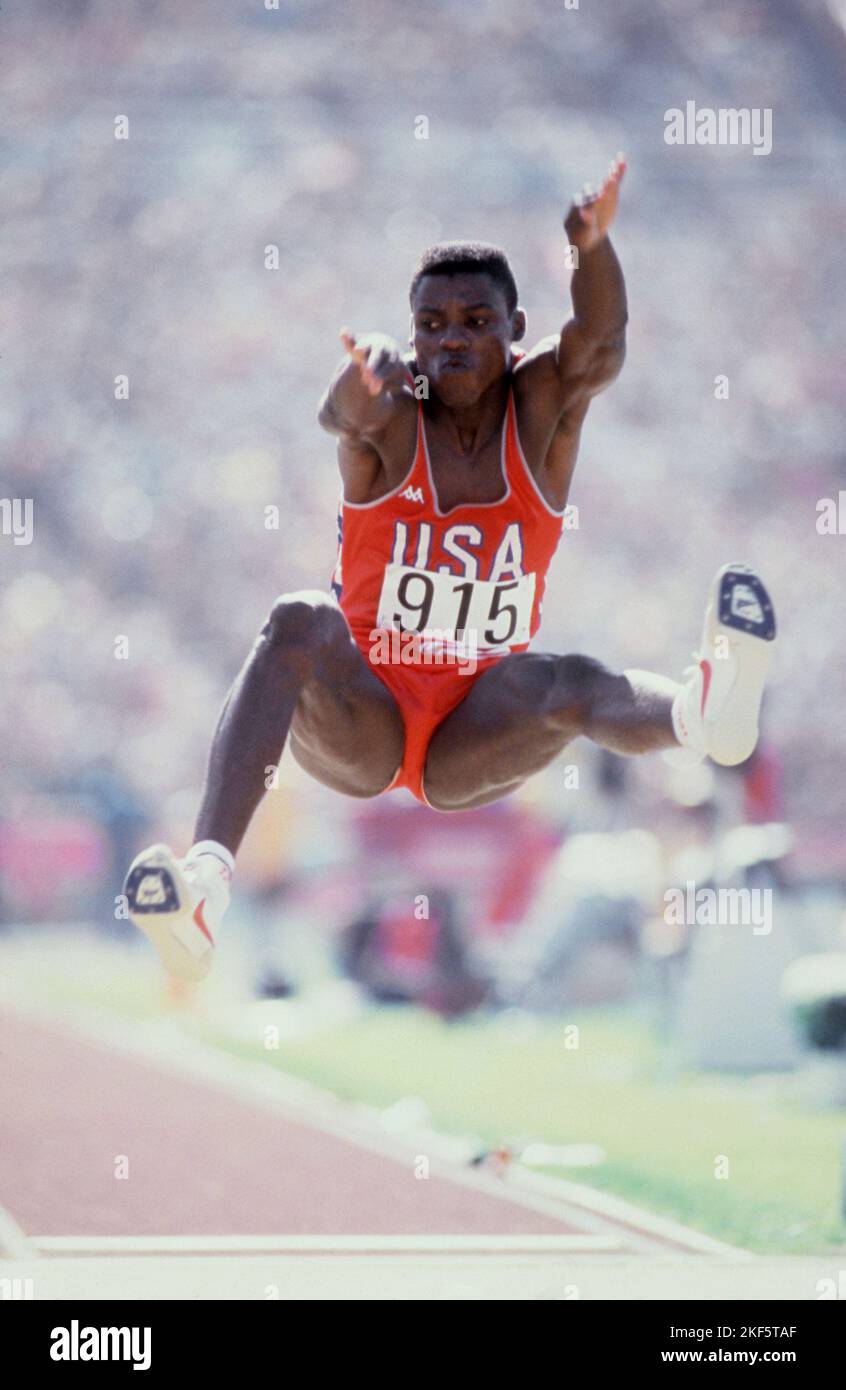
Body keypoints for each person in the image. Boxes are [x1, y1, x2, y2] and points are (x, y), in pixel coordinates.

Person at [123, 157, 776, 982]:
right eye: (431, 323)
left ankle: (704, 716)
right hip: (367, 718)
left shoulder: (541, 413)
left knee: (564, 677)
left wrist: (593, 245)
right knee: (297, 619)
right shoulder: (392, 414)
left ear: (514, 330)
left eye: (475, 320)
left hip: (473, 727)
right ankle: (207, 884)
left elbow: (600, 343)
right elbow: (338, 414)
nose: (451, 338)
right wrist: (362, 377)